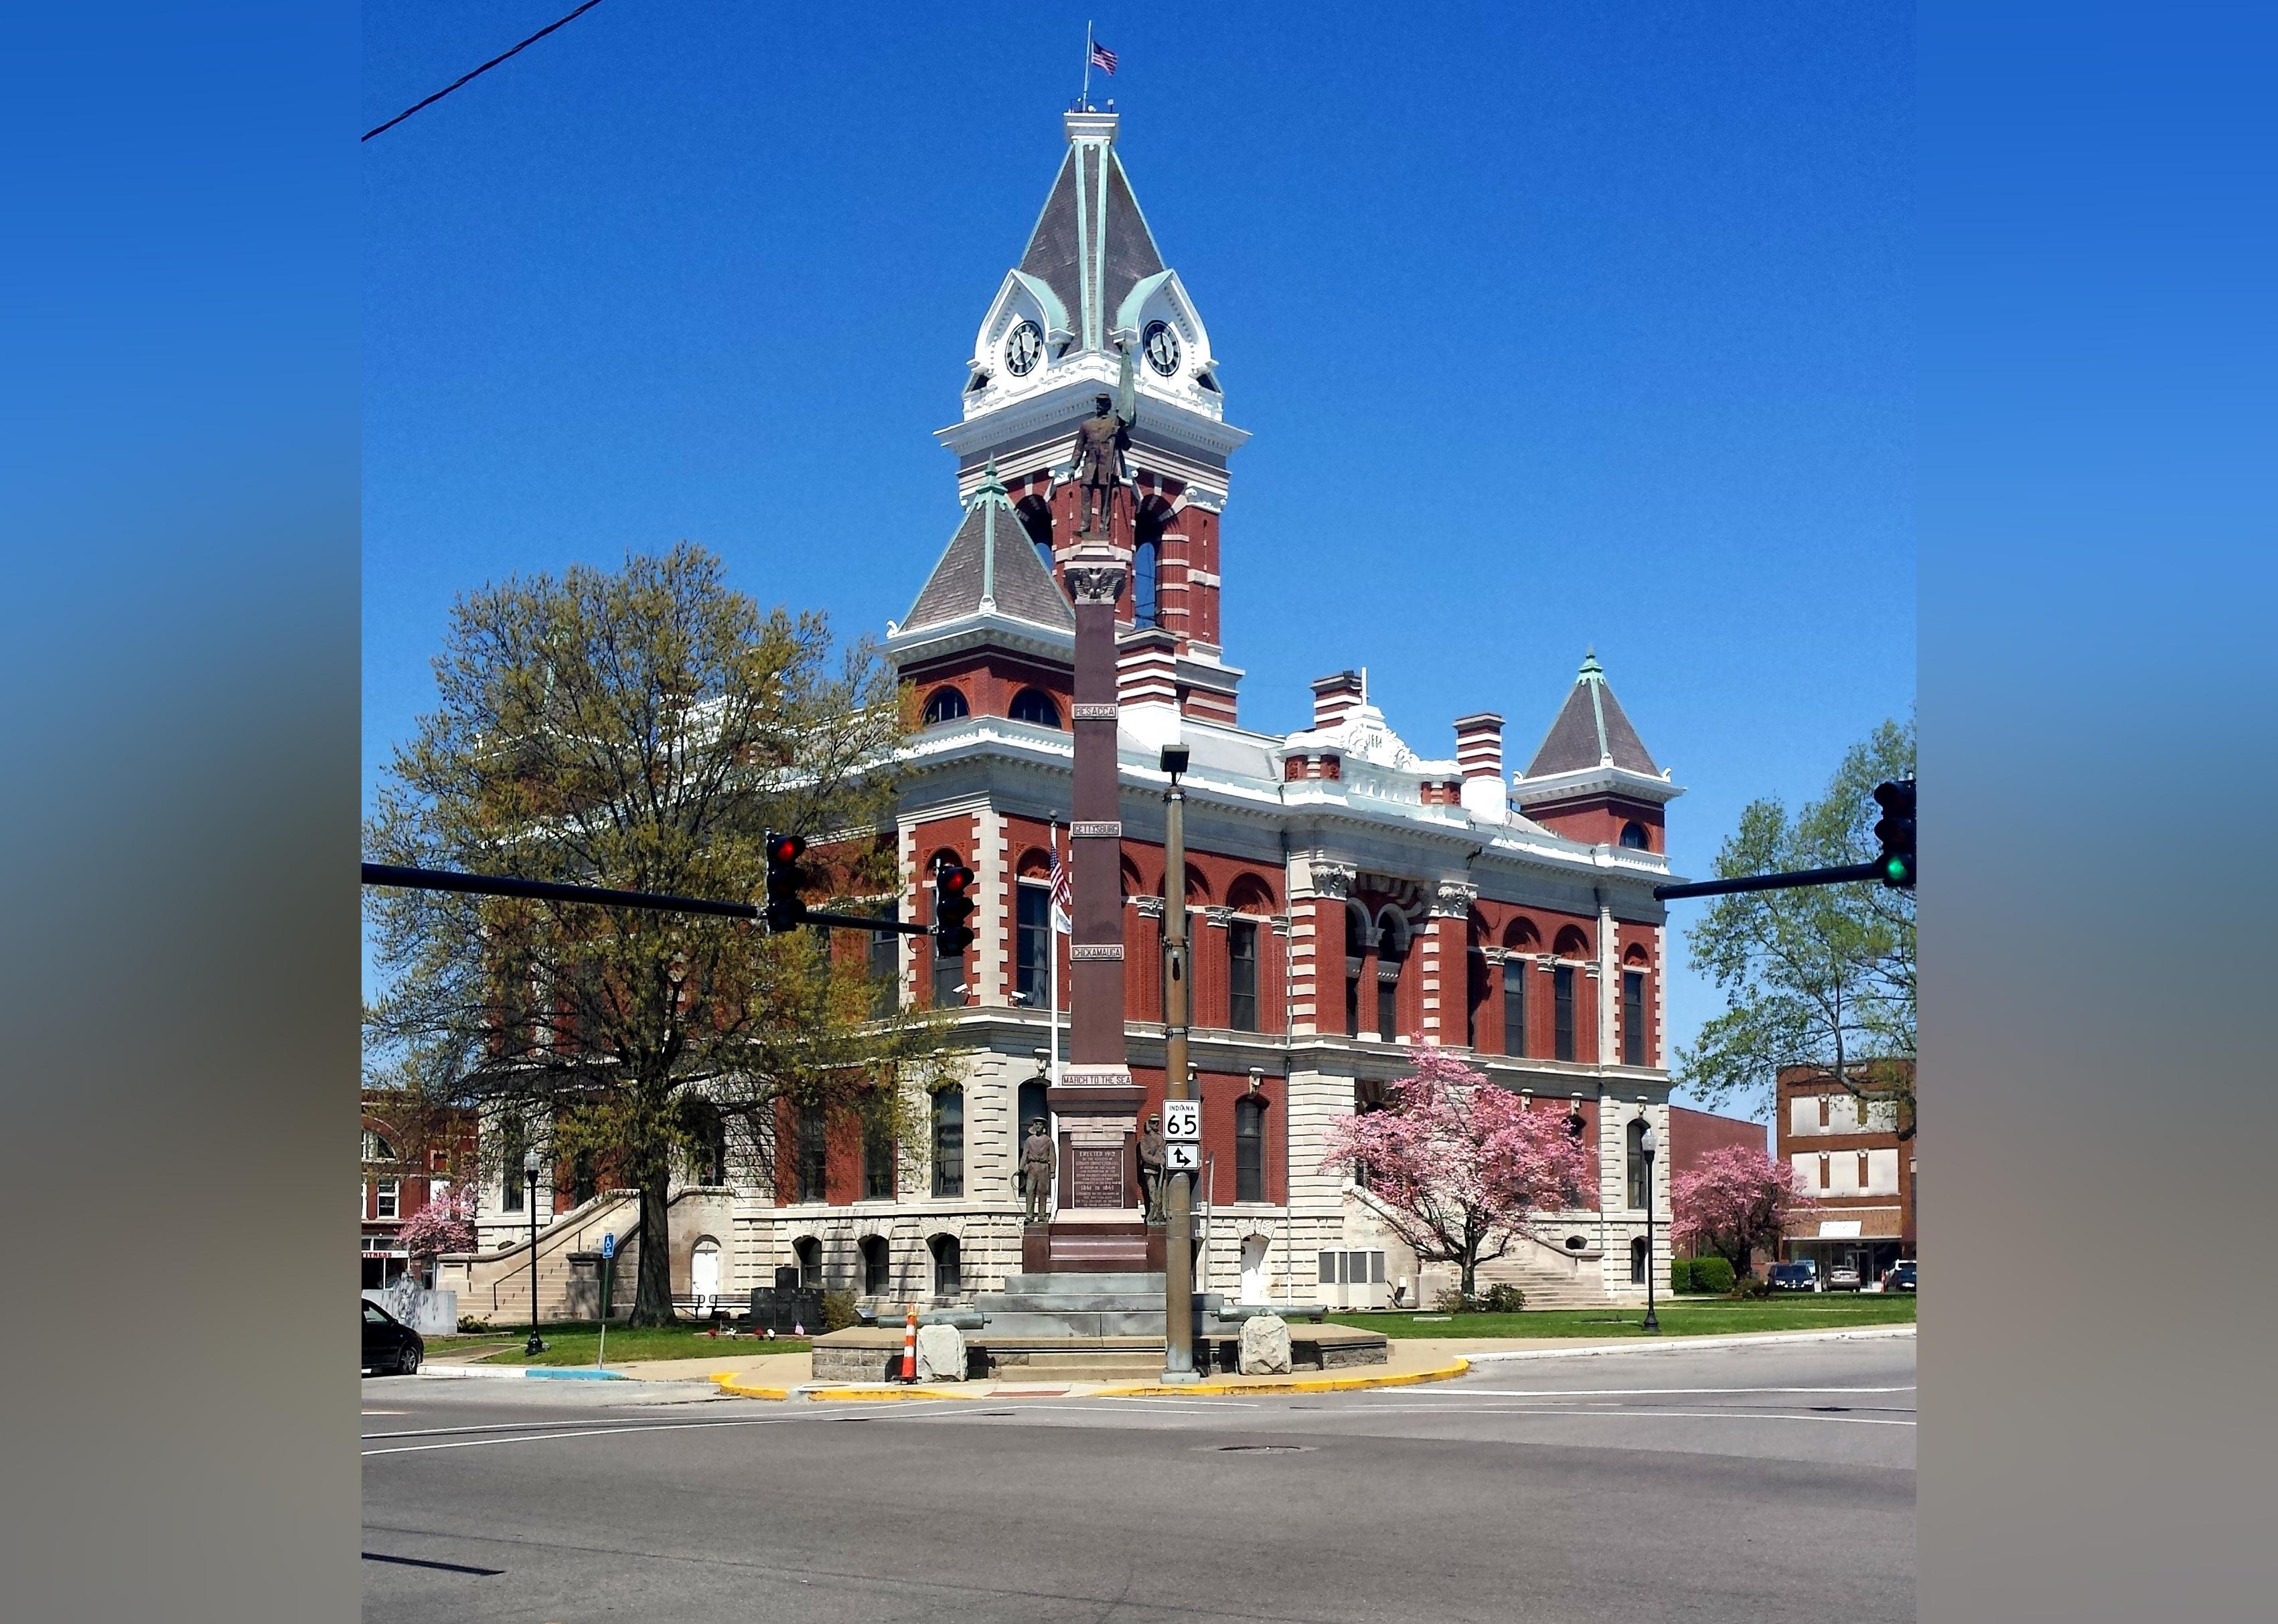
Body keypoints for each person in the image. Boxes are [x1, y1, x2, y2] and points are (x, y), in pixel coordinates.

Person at [1020, 1118, 1055, 1225]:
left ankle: (1042, 1215)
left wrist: (1053, 1171)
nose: (1038, 1126)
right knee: (1030, 1191)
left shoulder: (1048, 1141)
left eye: (1040, 1124)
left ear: (1043, 1127)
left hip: (1043, 1167)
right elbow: (1025, 1155)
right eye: (1036, 1124)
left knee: (1042, 1192)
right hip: (1032, 1167)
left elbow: (1052, 1156)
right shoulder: (1029, 1140)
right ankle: (1029, 1216)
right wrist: (1021, 1168)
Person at [1137, 1111, 1166, 1224]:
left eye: (1157, 1122)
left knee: (1162, 1193)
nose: (1156, 1124)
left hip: (1162, 1170)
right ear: (1149, 1124)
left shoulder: (1163, 1138)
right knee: (1152, 1192)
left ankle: (1160, 1214)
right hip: (1150, 1169)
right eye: (1153, 1122)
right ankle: (1152, 1215)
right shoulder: (1145, 1140)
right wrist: (1157, 1161)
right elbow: (1145, 1156)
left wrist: (1164, 1162)